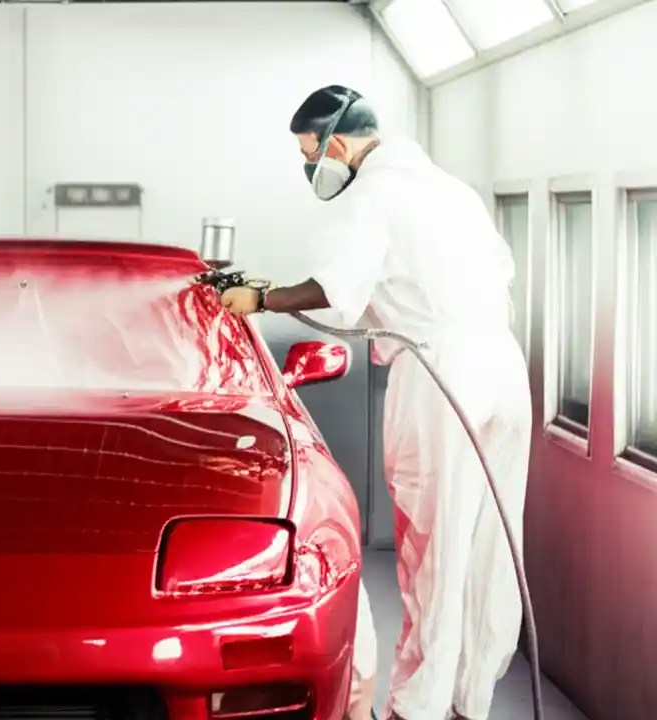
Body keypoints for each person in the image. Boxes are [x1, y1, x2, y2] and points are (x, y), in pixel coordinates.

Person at [220, 85, 532, 720]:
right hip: (503, 364)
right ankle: (472, 701)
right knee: (490, 547)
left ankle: (416, 709)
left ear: (335, 143)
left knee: (433, 550)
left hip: (442, 373)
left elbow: (335, 293)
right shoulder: (450, 189)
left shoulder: (372, 194)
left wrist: (263, 298)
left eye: (309, 154)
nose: (310, 167)